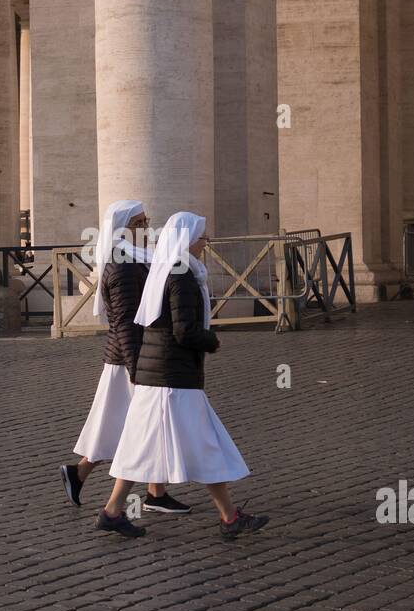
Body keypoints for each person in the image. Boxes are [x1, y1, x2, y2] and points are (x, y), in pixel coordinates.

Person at [97, 212, 269, 540]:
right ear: (189, 239)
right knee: (204, 444)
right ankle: (230, 518)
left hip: (159, 376)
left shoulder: (165, 270)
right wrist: (212, 341)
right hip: (172, 379)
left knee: (141, 447)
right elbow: (184, 330)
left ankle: (112, 511)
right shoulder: (183, 275)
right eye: (203, 236)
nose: (207, 242)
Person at [61, 201, 190, 514]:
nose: (146, 228)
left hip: (137, 357)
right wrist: (136, 368)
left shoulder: (135, 258)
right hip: (129, 359)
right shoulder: (122, 265)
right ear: (124, 227)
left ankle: (152, 492)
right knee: (135, 426)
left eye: (147, 221)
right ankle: (96, 484)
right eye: (140, 223)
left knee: (133, 425)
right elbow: (124, 320)